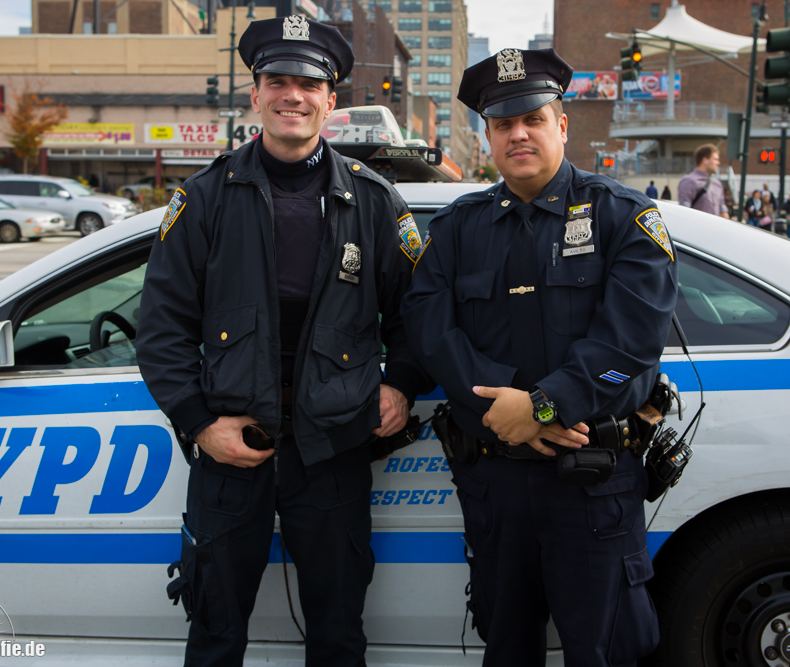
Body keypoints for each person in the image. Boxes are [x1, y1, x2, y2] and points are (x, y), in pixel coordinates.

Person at [135, 16, 430, 666]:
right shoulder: (205, 199)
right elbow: (161, 328)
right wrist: (198, 422)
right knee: (213, 630)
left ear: (330, 100)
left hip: (333, 450)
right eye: (277, 80)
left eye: (308, 83)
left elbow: (420, 313)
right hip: (231, 449)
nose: (291, 94)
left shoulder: (374, 201)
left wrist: (401, 381)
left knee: (337, 633)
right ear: (255, 94)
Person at [401, 48, 679, 667]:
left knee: (605, 651)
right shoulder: (455, 230)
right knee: (506, 646)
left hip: (594, 479)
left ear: (562, 125)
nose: (518, 133)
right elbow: (428, 328)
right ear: (489, 137)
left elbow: (631, 341)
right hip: (495, 481)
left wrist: (544, 407)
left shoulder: (622, 217)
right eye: (503, 124)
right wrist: (503, 407)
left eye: (533, 117)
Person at [677, 143, 729, 218]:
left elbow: (723, 212)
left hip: (715, 228)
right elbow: (684, 214)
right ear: (705, 160)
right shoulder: (689, 182)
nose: (718, 163)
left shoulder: (717, 183)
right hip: (696, 228)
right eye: (715, 159)